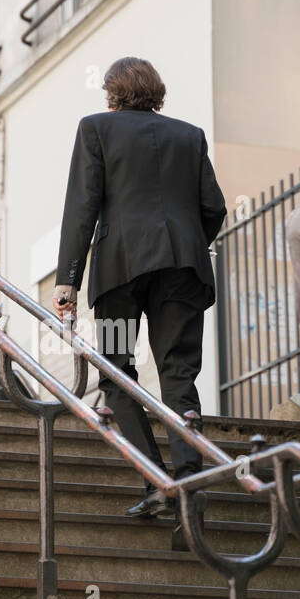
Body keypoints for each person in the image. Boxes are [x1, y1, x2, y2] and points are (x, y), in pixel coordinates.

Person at [52, 56, 226, 520]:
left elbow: (82, 205)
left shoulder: (95, 130)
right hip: (183, 273)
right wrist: (185, 245)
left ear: (111, 92)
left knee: (114, 369)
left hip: (118, 275)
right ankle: (189, 482)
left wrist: (67, 279)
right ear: (157, 90)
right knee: (178, 373)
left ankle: (155, 481)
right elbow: (214, 208)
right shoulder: (190, 136)